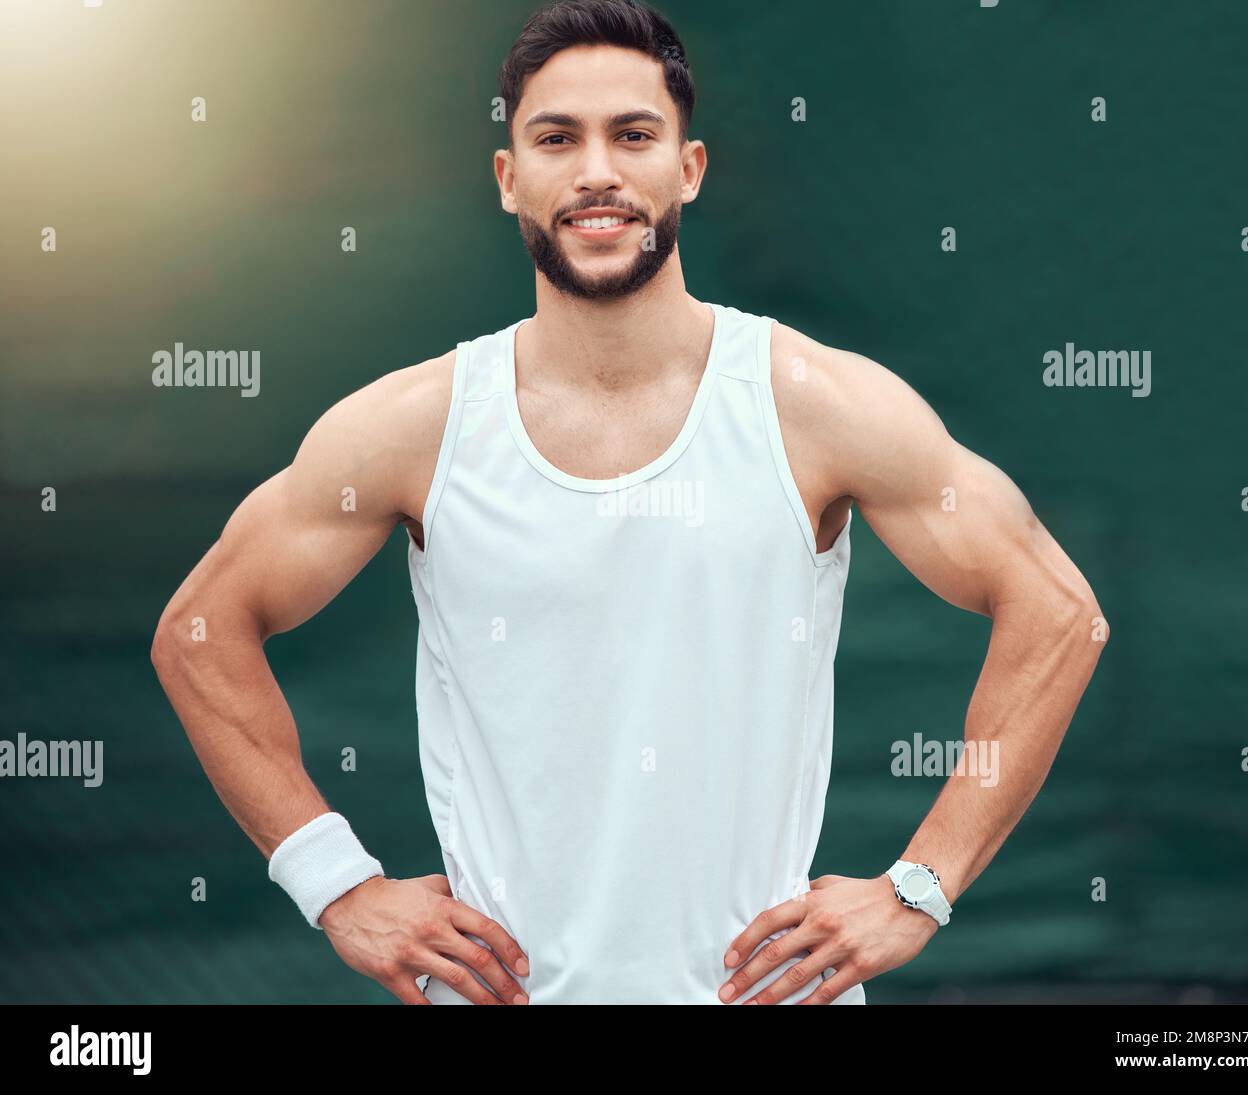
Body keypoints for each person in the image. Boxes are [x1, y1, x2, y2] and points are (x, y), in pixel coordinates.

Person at [151, 0, 1106, 1005]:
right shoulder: (415, 426)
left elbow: (1055, 613)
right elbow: (201, 632)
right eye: (556, 138)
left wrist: (918, 888)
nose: (596, 170)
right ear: (508, 178)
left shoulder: (815, 404)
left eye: (633, 134)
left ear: (687, 168)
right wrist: (336, 884)